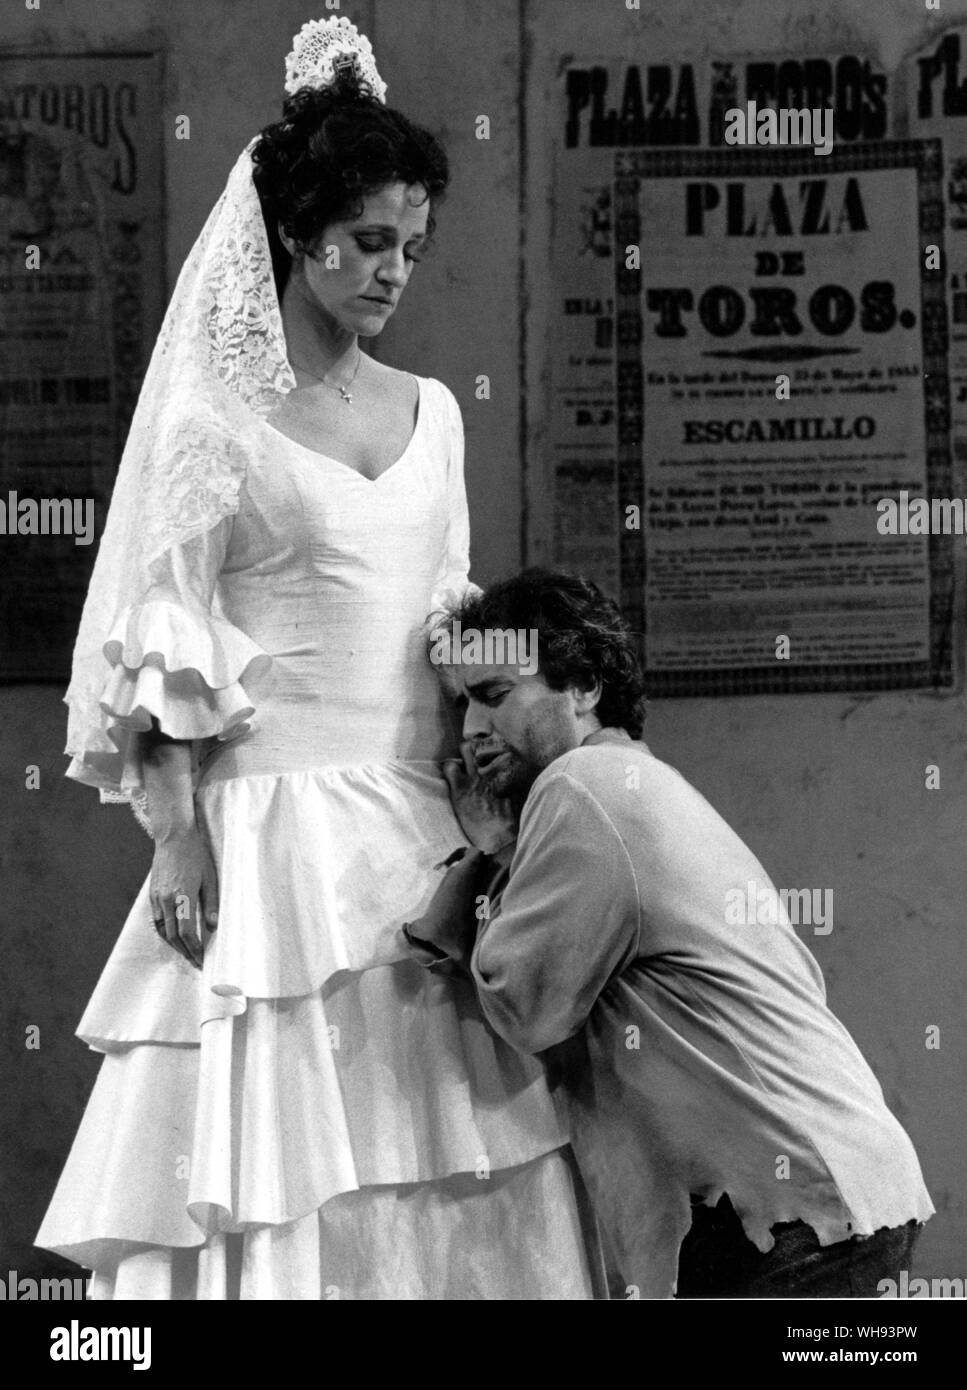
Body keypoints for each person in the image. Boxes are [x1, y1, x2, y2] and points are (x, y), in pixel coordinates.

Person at [36, 19, 600, 1300]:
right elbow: (162, 636)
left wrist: (554, 725)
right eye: (365, 243)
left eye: (411, 244)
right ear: (296, 238)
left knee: (447, 1161)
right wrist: (178, 835)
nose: (393, 270)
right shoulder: (213, 421)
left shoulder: (433, 414)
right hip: (269, 843)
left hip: (414, 833)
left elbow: (449, 631)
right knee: (281, 1180)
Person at [404, 567, 936, 1299]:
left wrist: (487, 856)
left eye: (495, 695)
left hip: (785, 1223)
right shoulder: (635, 782)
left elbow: (524, 1006)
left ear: (583, 686)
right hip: (825, 1202)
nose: (469, 730)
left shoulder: (582, 787)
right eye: (462, 704)